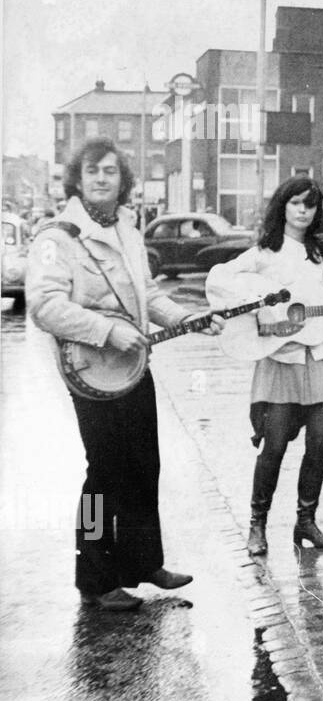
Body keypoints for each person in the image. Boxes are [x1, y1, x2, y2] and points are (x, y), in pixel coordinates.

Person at [27, 138, 224, 611]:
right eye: (92, 170)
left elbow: (147, 294)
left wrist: (183, 317)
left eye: (110, 171)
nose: (101, 178)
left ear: (122, 180)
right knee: (103, 476)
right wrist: (104, 332)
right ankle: (93, 579)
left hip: (134, 369)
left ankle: (141, 562)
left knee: (143, 465)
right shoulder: (56, 239)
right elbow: (43, 304)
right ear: (77, 178)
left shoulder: (129, 231)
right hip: (91, 373)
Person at [208, 177, 323, 556]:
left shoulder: (322, 254)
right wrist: (265, 302)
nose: (304, 211)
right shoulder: (264, 253)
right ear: (283, 206)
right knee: (273, 446)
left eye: (310, 204)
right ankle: (258, 524)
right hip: (281, 357)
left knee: (318, 446)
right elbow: (221, 280)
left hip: (320, 357)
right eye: (296, 203)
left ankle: (306, 522)